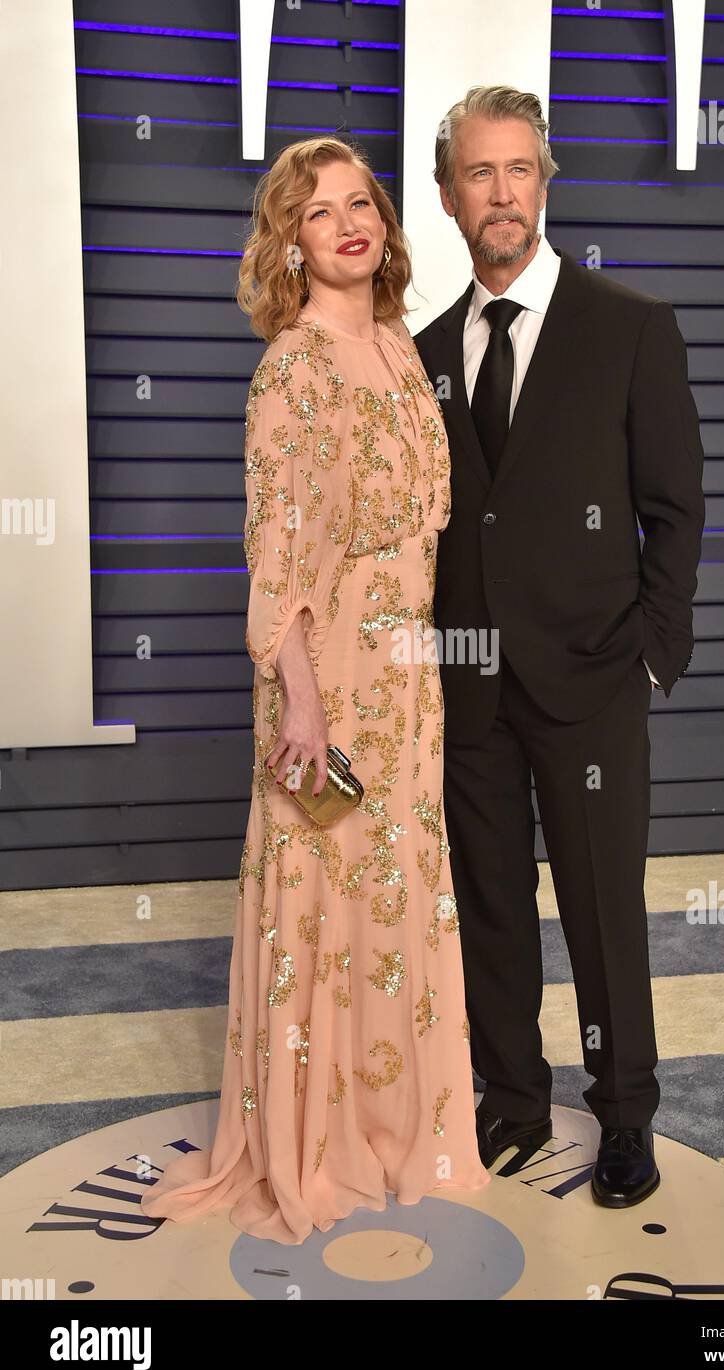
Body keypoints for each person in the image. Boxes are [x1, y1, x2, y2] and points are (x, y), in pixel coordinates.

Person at [140, 136, 490, 1245]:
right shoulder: (290, 367)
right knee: (323, 891)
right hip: (324, 674)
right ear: (288, 239)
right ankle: (314, 1142)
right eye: (318, 210)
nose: (348, 222)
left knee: (395, 900)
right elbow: (277, 553)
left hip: (408, 675)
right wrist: (301, 701)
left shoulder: (393, 344)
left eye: (361, 203)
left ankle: (394, 1126)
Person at [414, 86, 706, 1207]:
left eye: (519, 169)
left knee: (598, 903)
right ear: (449, 196)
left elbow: (674, 507)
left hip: (593, 678)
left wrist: (651, 652)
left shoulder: (628, 327)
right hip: (470, 684)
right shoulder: (428, 353)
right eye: (479, 174)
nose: (501, 193)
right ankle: (512, 1098)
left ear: (546, 180)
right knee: (488, 903)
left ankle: (623, 1112)